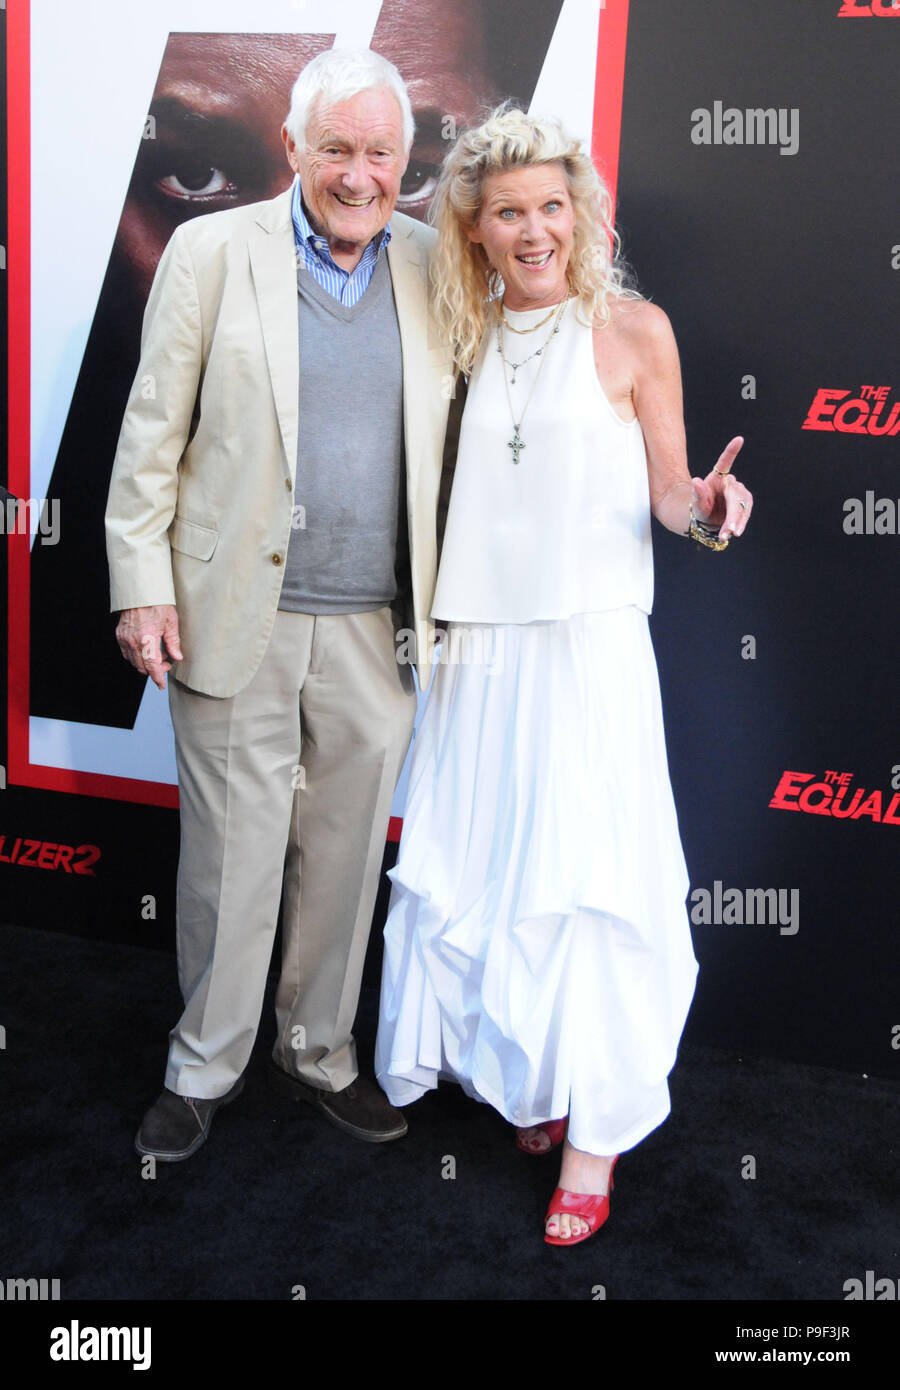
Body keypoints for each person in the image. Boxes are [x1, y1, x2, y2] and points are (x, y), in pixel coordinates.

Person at [375, 105, 753, 1243]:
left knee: (588, 880)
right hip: (481, 652)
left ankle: (594, 1136)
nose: (533, 229)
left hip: (588, 647)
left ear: (581, 214)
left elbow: (673, 495)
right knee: (493, 871)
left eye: (551, 205)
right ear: (476, 229)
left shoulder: (637, 329)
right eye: (508, 212)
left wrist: (714, 515)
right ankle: (531, 1078)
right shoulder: (460, 329)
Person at [106, 48, 461, 1160]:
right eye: (339, 149)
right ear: (298, 151)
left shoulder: (436, 261)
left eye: (382, 153)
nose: (360, 173)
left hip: (377, 624)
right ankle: (203, 1062)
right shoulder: (214, 253)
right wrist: (140, 589)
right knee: (229, 858)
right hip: (228, 614)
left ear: (405, 162)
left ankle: (321, 1052)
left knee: (348, 856)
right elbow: (151, 434)